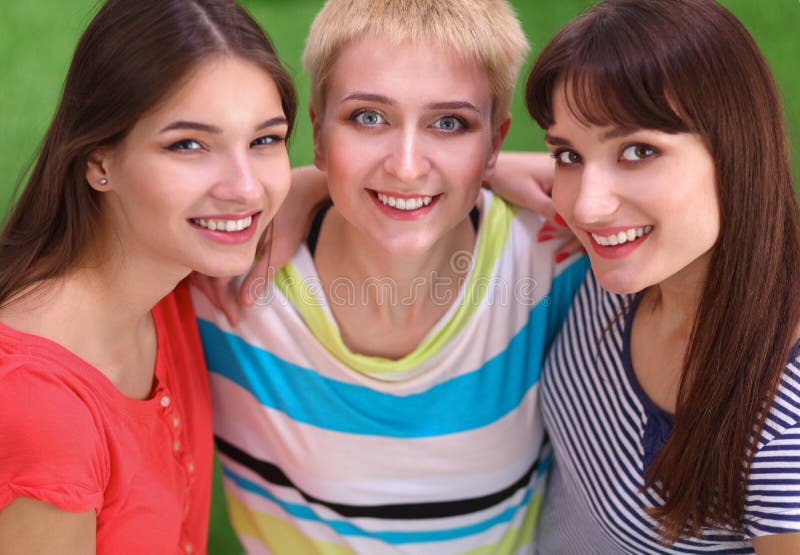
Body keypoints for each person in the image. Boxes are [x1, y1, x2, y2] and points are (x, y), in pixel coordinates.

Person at [191, 0, 588, 553]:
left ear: (495, 142)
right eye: (369, 118)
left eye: (449, 123)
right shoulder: (222, 284)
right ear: (319, 132)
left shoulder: (555, 262)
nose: (406, 165)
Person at [0, 0, 296, 552]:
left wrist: (491, 174)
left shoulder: (169, 266)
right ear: (99, 162)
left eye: (264, 140)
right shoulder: (43, 411)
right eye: (188, 145)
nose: (246, 188)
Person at [523, 0, 800, 552]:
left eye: (639, 150)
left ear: (737, 151)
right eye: (568, 156)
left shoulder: (782, 437)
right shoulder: (629, 264)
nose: (586, 209)